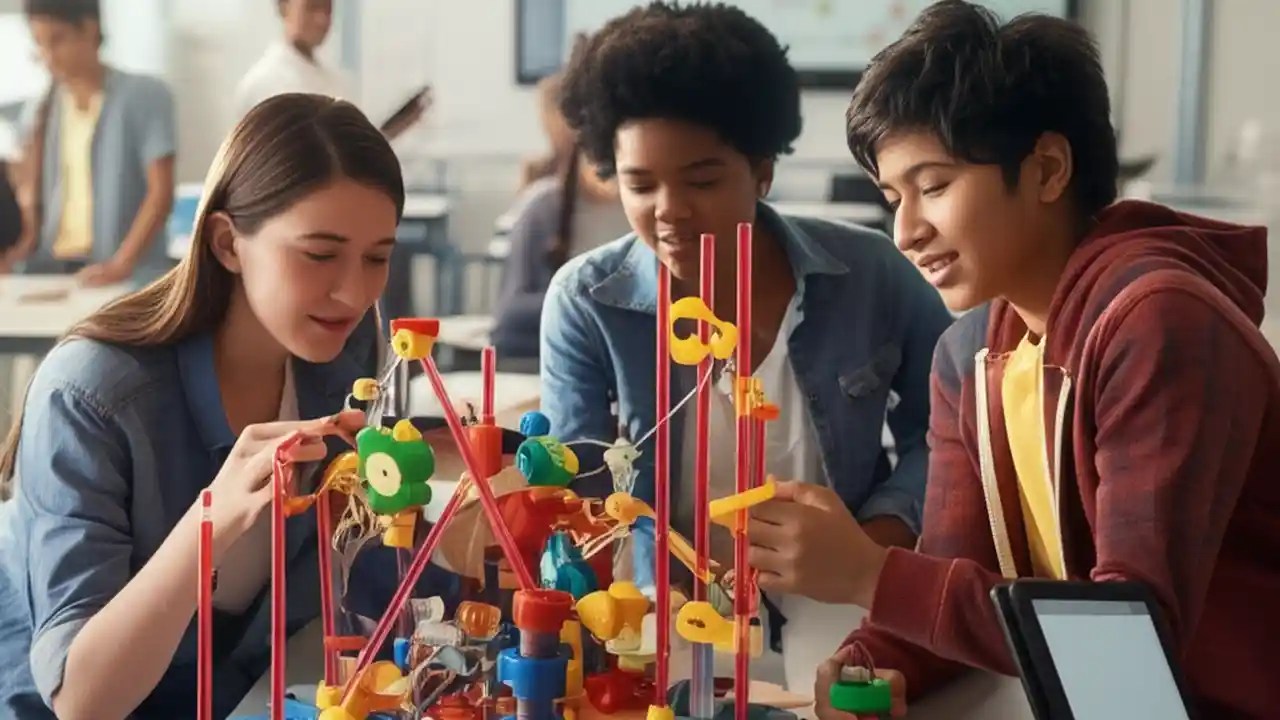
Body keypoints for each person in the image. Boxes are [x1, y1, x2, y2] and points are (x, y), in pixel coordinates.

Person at [737, 3, 1278, 718]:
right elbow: (963, 584)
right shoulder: (970, 353)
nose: (906, 231)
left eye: (933, 186)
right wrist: (876, 660)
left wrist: (871, 575)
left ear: (1048, 168)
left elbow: (1128, 644)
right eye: (892, 197)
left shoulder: (1160, 322)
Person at [0, 93, 457, 719]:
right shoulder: (92, 393)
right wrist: (211, 524)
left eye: (378, 257)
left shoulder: (345, 349)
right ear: (226, 243)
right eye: (320, 254)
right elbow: (83, 700)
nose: (355, 290)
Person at [540, 1, 953, 691]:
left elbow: (949, 426)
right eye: (639, 184)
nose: (668, 210)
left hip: (839, 602)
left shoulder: (870, 274)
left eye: (701, 180)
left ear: (761, 171)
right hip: (668, 612)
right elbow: (575, 488)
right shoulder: (587, 301)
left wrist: (879, 535)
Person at [2, 0, 176, 285]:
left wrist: (121, 264)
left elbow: (160, 193)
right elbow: (31, 196)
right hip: (54, 268)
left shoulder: (146, 96)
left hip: (127, 272)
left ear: (89, 30)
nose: (48, 56)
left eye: (57, 40)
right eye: (39, 44)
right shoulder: (40, 112)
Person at [491, 73, 630, 360]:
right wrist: (596, 300)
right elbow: (510, 315)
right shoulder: (543, 208)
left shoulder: (649, 215)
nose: (608, 170)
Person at [235, 0, 426, 140]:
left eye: (328, 9)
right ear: (284, 7)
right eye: (312, 7)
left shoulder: (336, 80)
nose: (322, 20)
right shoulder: (263, 82)